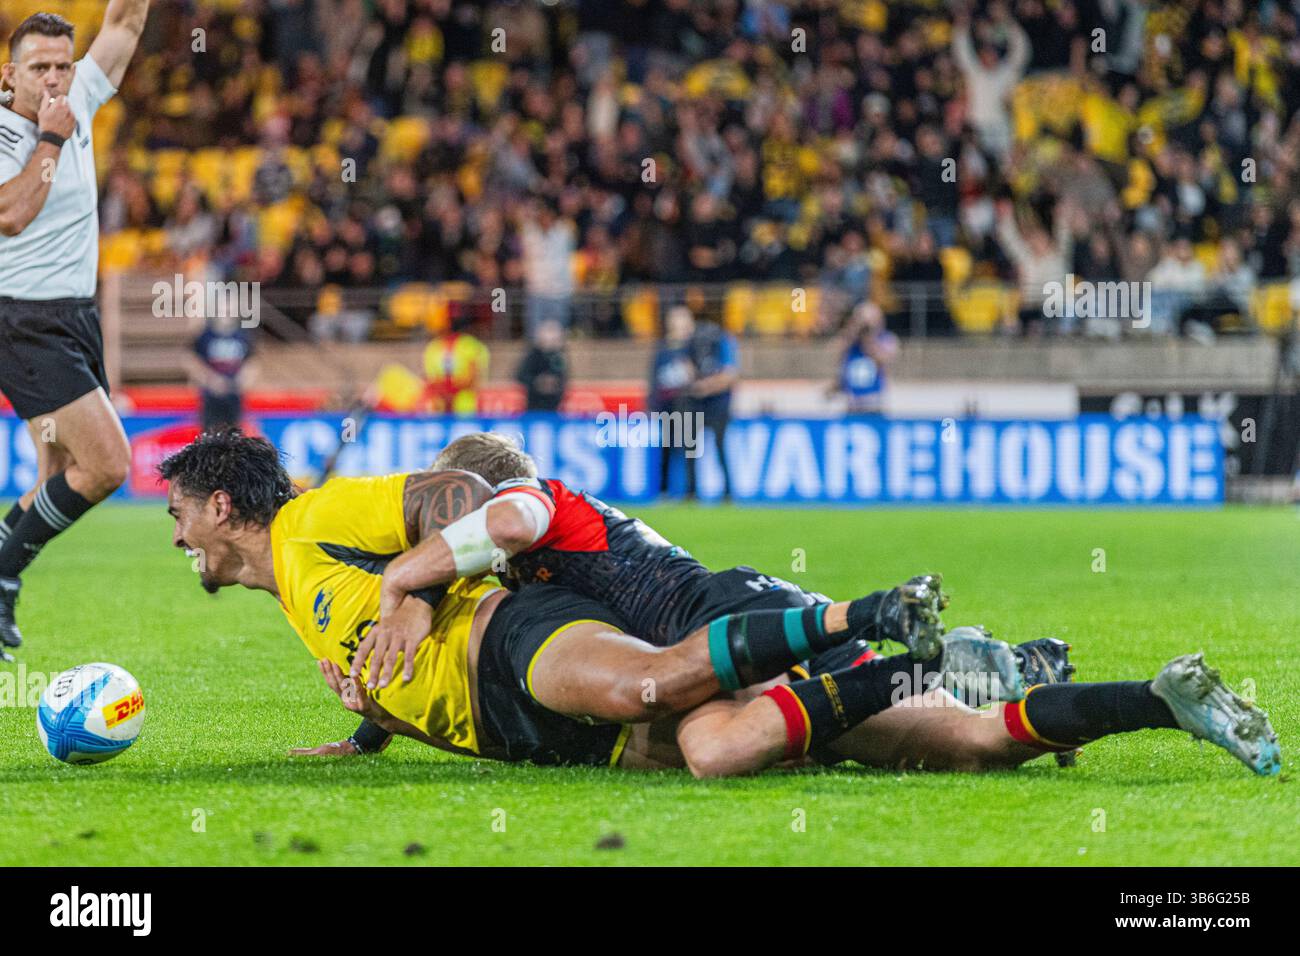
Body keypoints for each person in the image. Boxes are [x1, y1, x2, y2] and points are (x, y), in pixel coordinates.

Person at [159, 431, 1282, 778]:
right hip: (667, 666)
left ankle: (887, 628)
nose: (171, 539)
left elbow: (480, 514)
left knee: (703, 712)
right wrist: (368, 720)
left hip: (706, 615)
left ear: (218, 506)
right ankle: (1148, 698)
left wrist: (415, 575)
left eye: (178, 516)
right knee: (953, 749)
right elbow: (392, 639)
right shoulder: (312, 580)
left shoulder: (527, 518)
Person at [0, 6, 149, 657]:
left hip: (75, 317)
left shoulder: (80, 91)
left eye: (64, 65)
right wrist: (52, 141)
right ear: (9, 75)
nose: (56, 79)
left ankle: (3, 562)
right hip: (22, 321)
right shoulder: (6, 132)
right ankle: (3, 574)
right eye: (40, 68)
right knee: (108, 464)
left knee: (53, 475)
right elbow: (10, 215)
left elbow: (124, 25)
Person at [685, 312, 738, 500]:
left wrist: (704, 386)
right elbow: (686, 365)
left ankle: (727, 491)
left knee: (719, 446)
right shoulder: (694, 341)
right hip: (700, 401)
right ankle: (691, 491)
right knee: (691, 447)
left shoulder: (723, 341)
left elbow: (730, 375)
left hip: (717, 402)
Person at [648, 305, 696, 497]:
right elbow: (655, 378)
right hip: (667, 404)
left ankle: (691, 490)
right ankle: (664, 489)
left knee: (688, 448)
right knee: (666, 447)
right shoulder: (663, 348)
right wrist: (653, 403)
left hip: (688, 404)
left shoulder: (693, 347)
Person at [187, 312, 255, 433]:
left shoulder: (242, 336)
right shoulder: (205, 335)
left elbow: (252, 362)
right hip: (211, 395)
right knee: (209, 433)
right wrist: (210, 380)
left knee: (234, 433)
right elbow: (191, 360)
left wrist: (243, 381)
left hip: (234, 395)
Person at [830, 302, 898, 414]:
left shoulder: (886, 338)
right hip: (852, 400)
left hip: (874, 399)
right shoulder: (850, 340)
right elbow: (835, 351)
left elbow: (883, 360)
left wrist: (868, 338)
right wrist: (853, 331)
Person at [422, 313, 488, 416]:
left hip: (465, 409)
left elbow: (473, 378)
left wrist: (451, 393)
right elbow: (430, 379)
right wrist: (443, 393)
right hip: (440, 408)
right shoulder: (433, 347)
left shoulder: (469, 345)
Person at [514, 319, 568, 413]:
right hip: (534, 405)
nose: (551, 344)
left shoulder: (559, 357)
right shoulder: (533, 356)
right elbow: (520, 376)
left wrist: (554, 383)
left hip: (554, 407)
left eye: (554, 340)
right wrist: (538, 382)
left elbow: (563, 378)